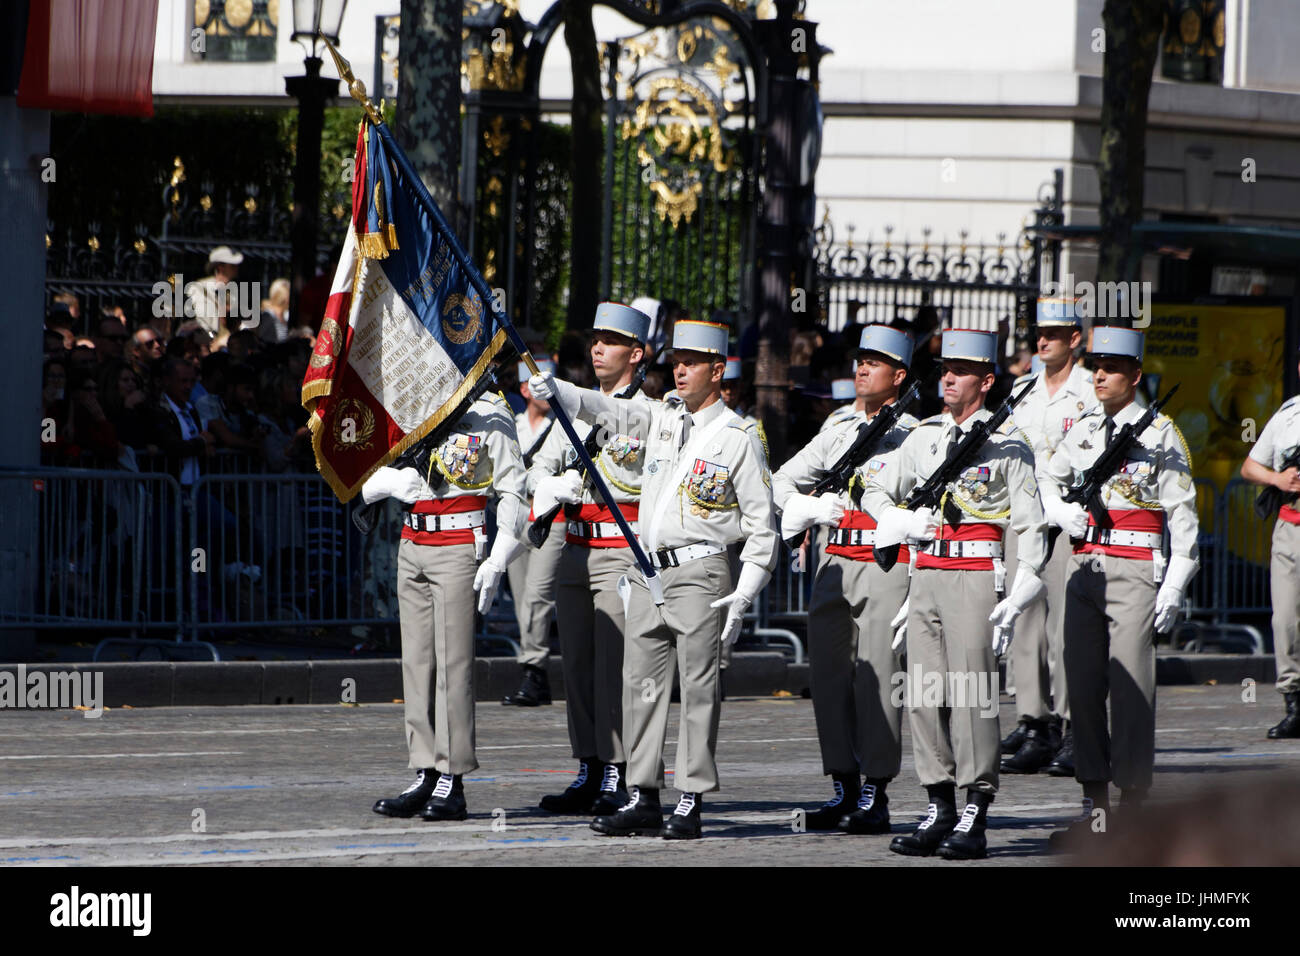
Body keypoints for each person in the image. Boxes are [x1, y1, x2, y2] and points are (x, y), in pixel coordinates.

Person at [530, 318, 777, 839]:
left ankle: (690, 798)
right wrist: (565, 393)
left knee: (698, 689)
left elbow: (762, 523)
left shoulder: (738, 437)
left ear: (718, 369)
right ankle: (642, 793)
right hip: (648, 571)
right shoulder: (660, 418)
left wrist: (746, 589)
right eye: (675, 361)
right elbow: (614, 411)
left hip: (701, 570)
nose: (679, 369)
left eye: (690, 362)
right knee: (639, 687)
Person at [863, 328, 1049, 860]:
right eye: (945, 368)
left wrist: (1019, 591)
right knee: (922, 695)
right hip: (925, 575)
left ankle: (975, 807)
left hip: (975, 577)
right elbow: (872, 485)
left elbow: (1031, 527)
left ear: (986, 381)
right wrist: (897, 518)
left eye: (961, 370)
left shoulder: (1009, 444)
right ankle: (937, 802)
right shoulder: (921, 437)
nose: (947, 377)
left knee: (971, 695)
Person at [1039, 327, 1198, 848]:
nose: (1100, 375)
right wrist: (1058, 508)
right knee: (1081, 689)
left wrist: (1175, 582)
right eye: (1096, 366)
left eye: (1111, 368)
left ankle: (1132, 809)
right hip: (1084, 569)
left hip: (1134, 571)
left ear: (1134, 376)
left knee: (1131, 690)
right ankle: (1096, 807)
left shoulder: (1160, 433)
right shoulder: (1083, 429)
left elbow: (1182, 514)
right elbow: (1046, 474)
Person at [774, 325, 918, 834]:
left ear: (898, 376)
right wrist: (809, 506)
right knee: (830, 679)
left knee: (878, 677)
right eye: (860, 360)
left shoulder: (916, 437)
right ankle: (844, 788)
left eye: (875, 363)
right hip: (833, 562)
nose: (861, 368)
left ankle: (876, 793)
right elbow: (782, 480)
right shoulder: (837, 431)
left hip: (884, 565)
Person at [364, 386, 528, 821]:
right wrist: (381, 483)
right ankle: (423, 770)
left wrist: (499, 556)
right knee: (416, 664)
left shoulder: (491, 412)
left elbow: (513, 489)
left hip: (459, 543)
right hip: (412, 539)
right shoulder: (413, 402)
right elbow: (367, 461)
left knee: (452, 665)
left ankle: (451, 778)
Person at [530, 303, 651, 815]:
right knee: (577, 664)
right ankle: (589, 767)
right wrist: (546, 484)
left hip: (620, 552)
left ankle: (619, 773)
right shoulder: (570, 411)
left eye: (611, 341)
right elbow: (540, 462)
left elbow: (614, 419)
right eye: (595, 339)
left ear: (636, 353)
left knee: (615, 668)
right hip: (575, 547)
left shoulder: (651, 410)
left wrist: (569, 400)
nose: (598, 348)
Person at [1000, 298, 1098, 777]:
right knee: (1024, 622)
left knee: (1064, 627)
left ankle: (1072, 724)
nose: (1042, 342)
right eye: (1038, 334)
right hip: (1027, 516)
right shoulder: (1021, 390)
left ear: (1074, 340)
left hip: (1068, 518)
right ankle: (1035, 723)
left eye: (1053, 335)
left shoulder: (1090, 391)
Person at [1241, 352, 1300, 739]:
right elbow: (1250, 466)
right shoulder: (1288, 415)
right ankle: (1294, 701)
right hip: (1291, 528)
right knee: (1284, 619)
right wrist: (1278, 480)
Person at [502, 358, 562, 707]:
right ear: (525, 389)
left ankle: (534, 669)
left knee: (539, 596)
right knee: (522, 595)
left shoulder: (562, 426)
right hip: (517, 514)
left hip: (549, 515)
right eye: (539, 384)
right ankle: (535, 674)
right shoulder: (512, 425)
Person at [188, 246, 244, 337]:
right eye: (232, 265)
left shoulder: (234, 292)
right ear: (220, 267)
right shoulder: (199, 289)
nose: (237, 268)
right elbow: (201, 319)